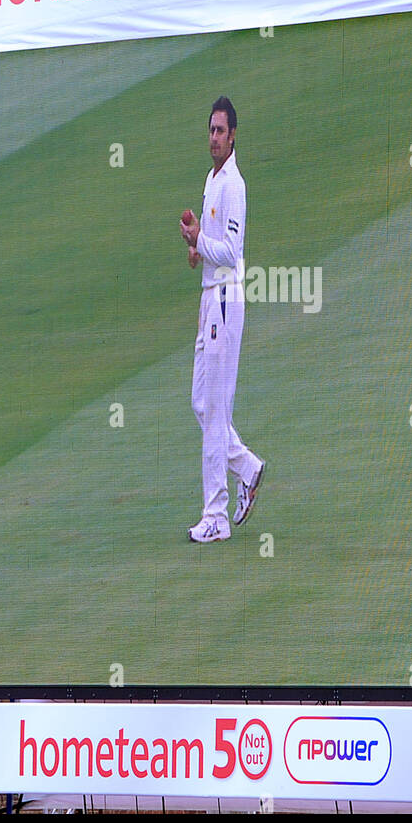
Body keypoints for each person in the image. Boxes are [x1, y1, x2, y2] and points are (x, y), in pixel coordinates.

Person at [180, 96, 265, 543]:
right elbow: (212, 248)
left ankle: (215, 516)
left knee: (214, 410)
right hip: (210, 298)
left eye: (220, 131)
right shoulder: (211, 180)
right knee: (202, 403)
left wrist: (203, 240)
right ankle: (246, 467)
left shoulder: (234, 185)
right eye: (210, 130)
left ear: (233, 135)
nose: (213, 138)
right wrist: (196, 247)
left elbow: (231, 253)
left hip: (226, 299)